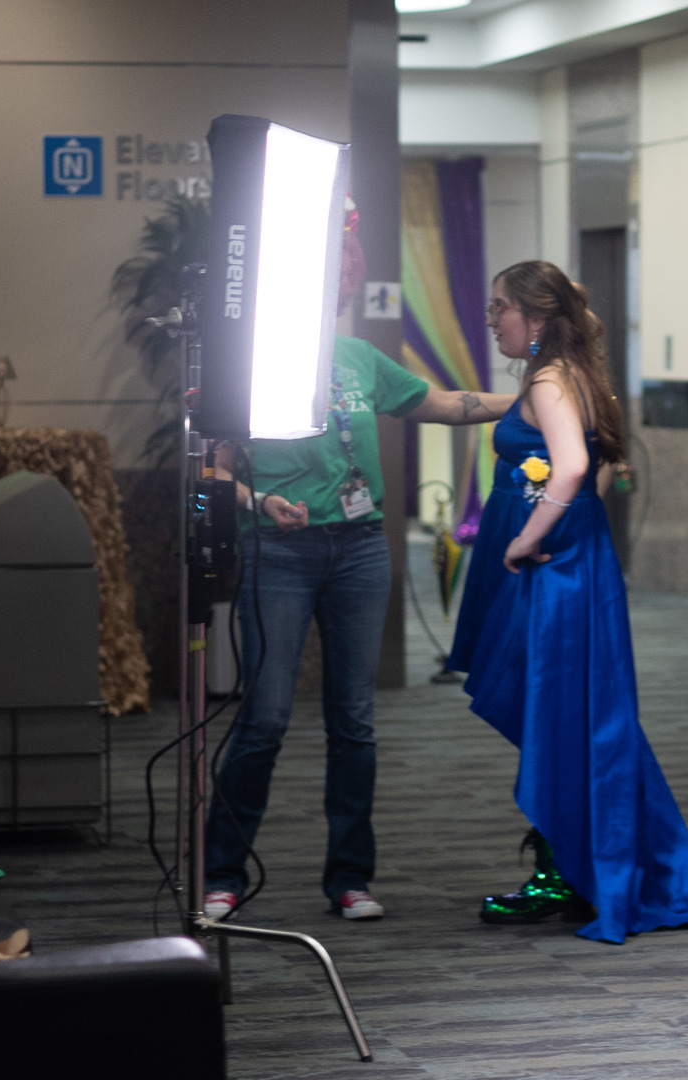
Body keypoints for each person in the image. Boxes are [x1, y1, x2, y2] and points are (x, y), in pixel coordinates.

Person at [204, 209, 519, 921]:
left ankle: (350, 878)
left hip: (360, 549)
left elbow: (443, 403)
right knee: (265, 720)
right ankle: (219, 874)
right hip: (278, 552)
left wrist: (534, 399)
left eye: (349, 265)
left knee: (354, 722)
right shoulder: (253, 362)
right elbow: (214, 471)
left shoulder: (358, 358)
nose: (344, 276)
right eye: (333, 265)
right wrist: (261, 501)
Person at [448, 259, 688, 943]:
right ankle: (582, 866)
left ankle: (591, 871)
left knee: (570, 716)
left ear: (536, 318)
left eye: (499, 306)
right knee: (580, 716)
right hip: (572, 560)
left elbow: (571, 467)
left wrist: (523, 540)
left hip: (557, 568)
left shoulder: (549, 379)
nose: (491, 318)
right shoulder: (573, 375)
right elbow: (593, 472)